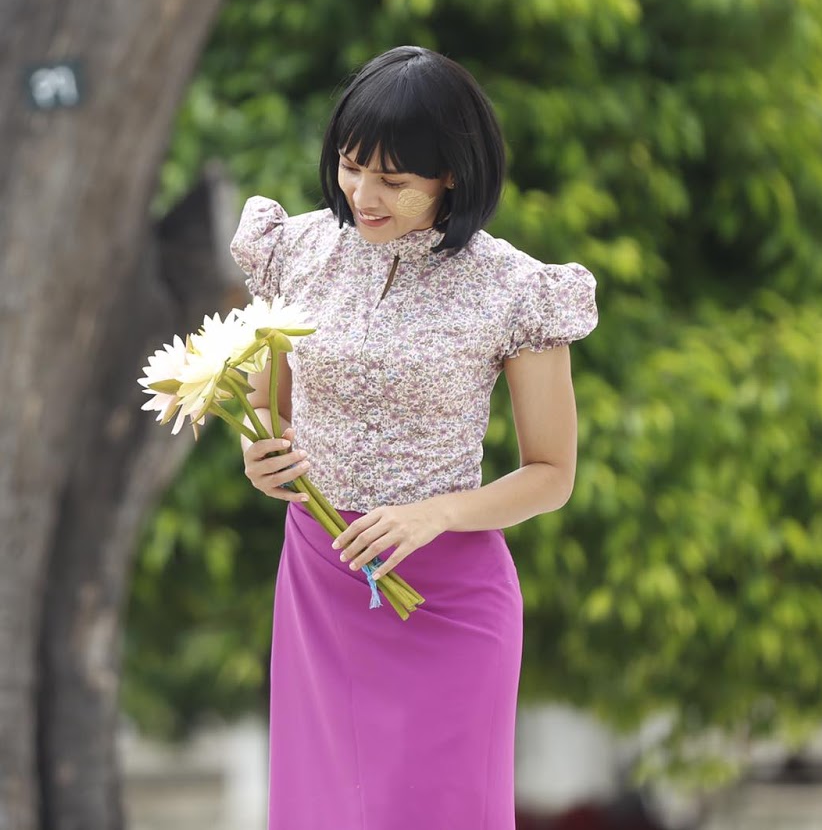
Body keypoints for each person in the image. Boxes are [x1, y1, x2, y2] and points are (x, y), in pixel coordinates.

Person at [229, 45, 598, 830]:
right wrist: (259, 455)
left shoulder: (518, 291)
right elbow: (268, 412)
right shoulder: (293, 252)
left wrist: (434, 514)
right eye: (351, 166)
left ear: (453, 176)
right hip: (321, 578)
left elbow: (550, 474)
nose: (363, 194)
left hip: (450, 595)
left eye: (394, 180)